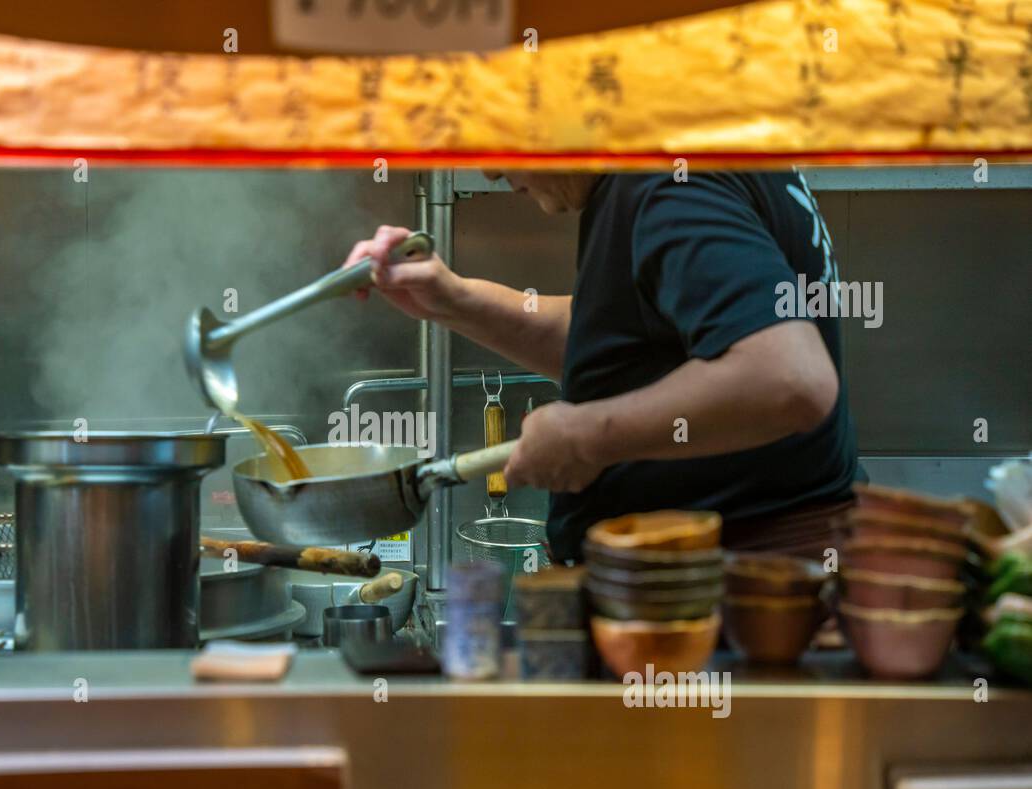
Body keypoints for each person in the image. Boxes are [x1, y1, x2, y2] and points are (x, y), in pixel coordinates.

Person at [343, 170, 860, 562]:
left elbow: (790, 380)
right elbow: (632, 341)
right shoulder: (673, 163)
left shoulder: (668, 183)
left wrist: (587, 435)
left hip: (725, 599)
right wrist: (452, 300)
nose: (491, 169)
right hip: (713, 579)